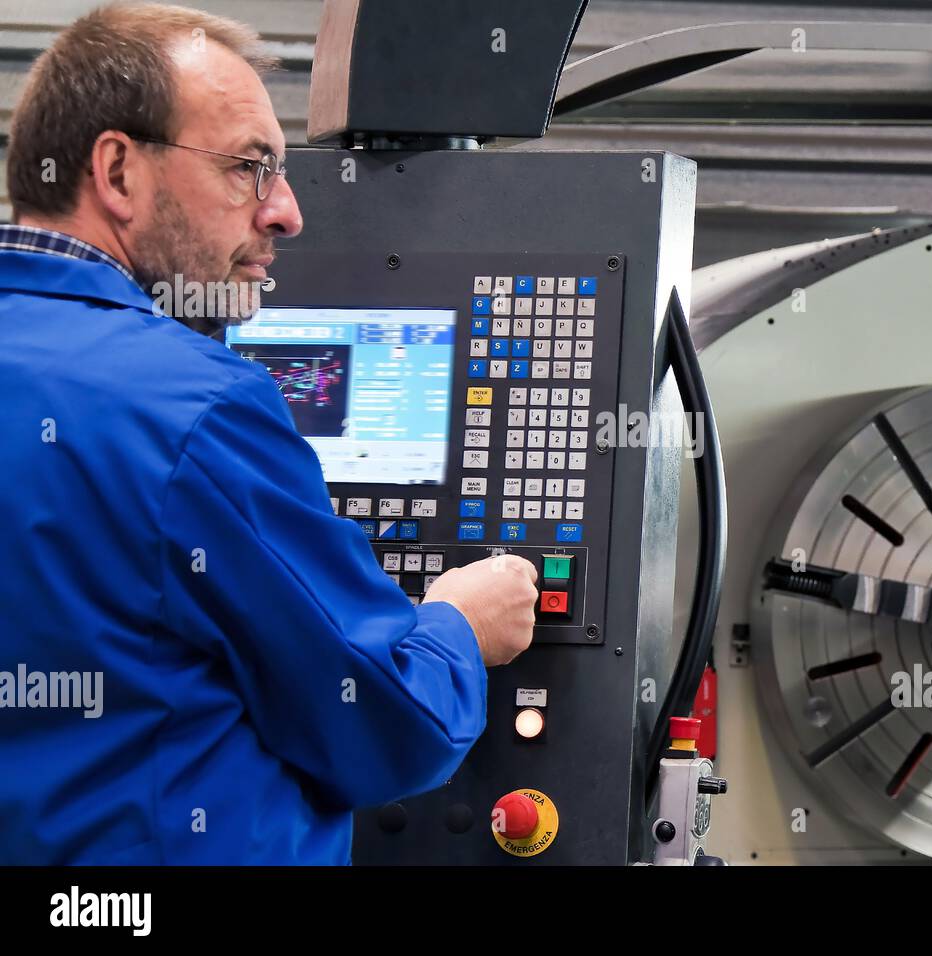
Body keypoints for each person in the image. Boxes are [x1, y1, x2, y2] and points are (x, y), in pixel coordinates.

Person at [0, 2, 537, 864]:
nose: (286, 211)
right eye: (250, 167)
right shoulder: (194, 408)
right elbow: (383, 723)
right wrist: (456, 629)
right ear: (117, 171)